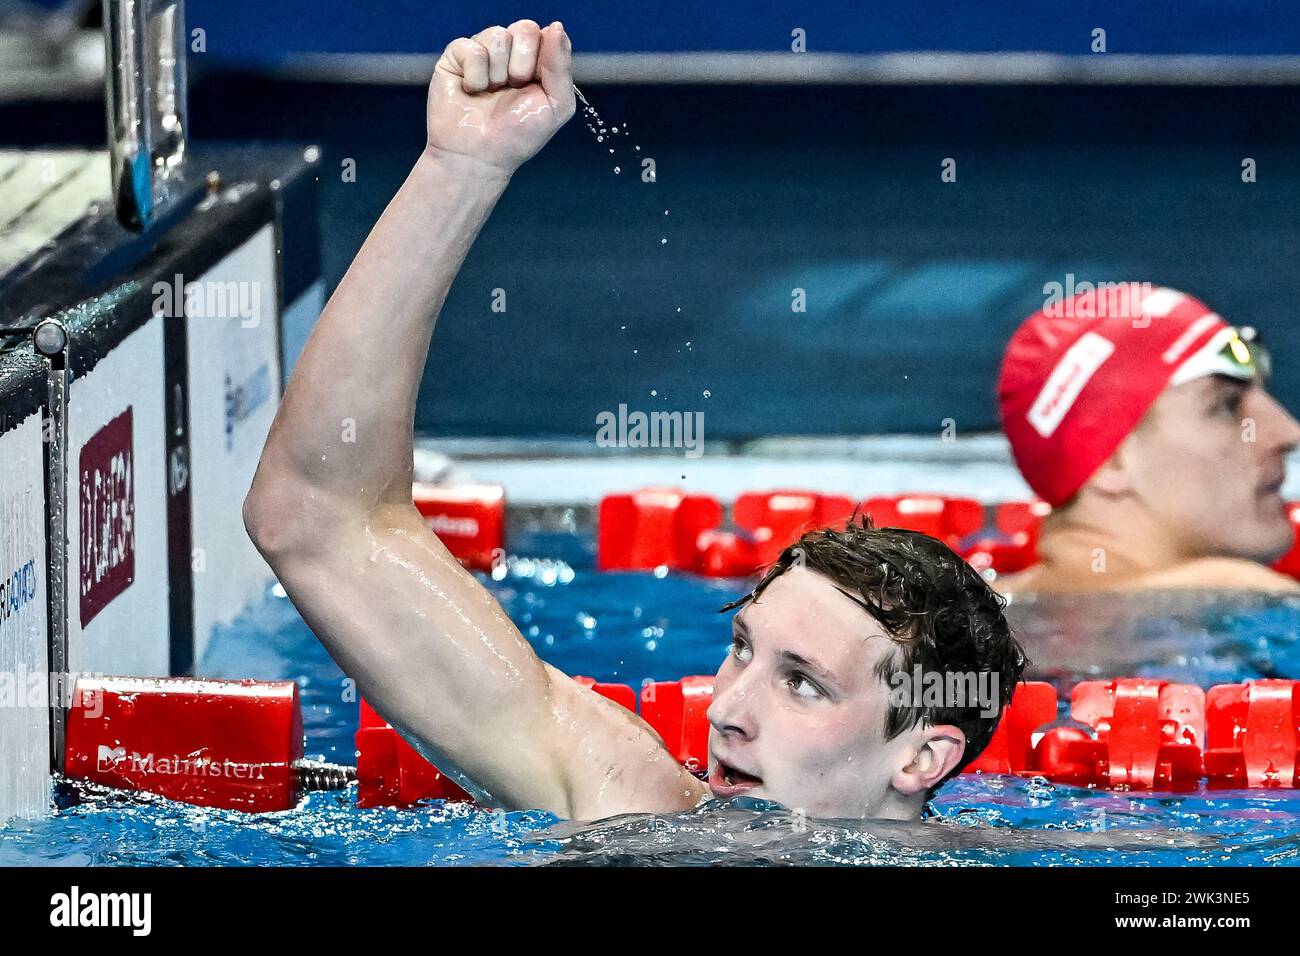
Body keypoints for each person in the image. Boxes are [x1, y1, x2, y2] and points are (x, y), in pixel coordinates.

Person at [242, 20, 1026, 822]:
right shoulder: (635, 806)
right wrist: (461, 167)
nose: (726, 712)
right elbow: (316, 515)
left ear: (923, 757)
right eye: (742, 650)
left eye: (802, 683)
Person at [996, 283, 1300, 594]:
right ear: (1110, 461)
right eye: (1227, 406)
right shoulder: (1240, 596)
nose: (1289, 432)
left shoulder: (971, 613)